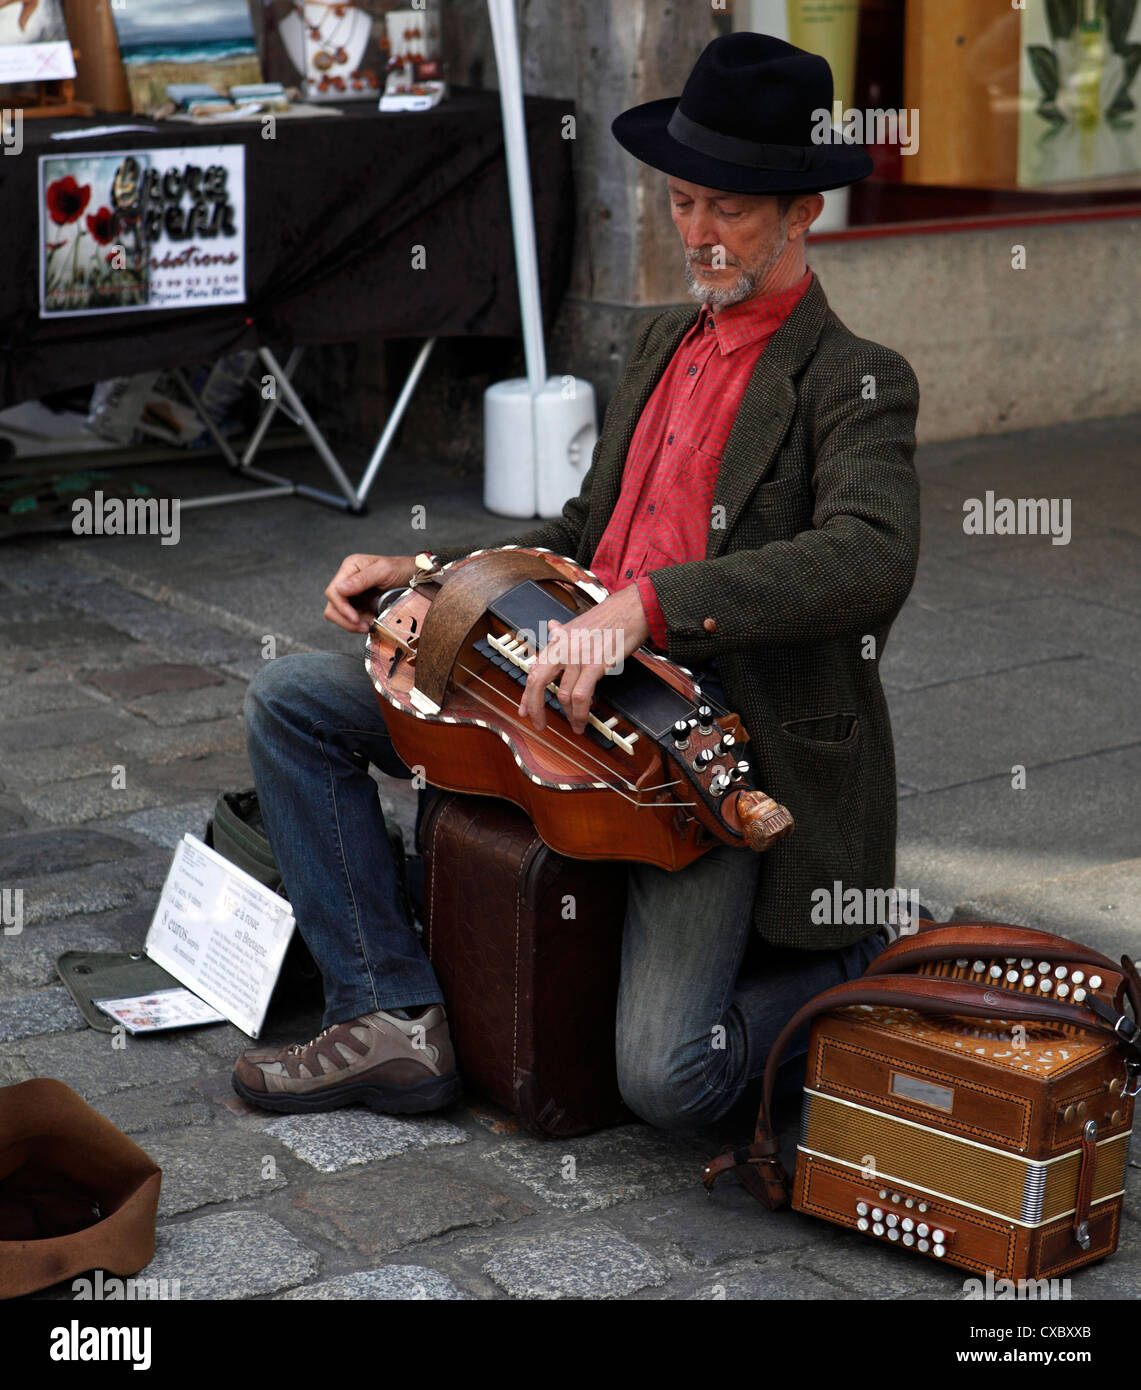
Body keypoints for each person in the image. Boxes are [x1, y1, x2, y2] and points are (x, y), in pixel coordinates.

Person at [232, 32, 921, 1128]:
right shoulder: (656, 342)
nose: (696, 232)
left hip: (703, 749)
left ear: (804, 213)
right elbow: (578, 531)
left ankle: (870, 962)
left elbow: (870, 556)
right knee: (293, 704)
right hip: (567, 699)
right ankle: (393, 1014)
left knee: (668, 1077)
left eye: (728, 209)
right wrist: (423, 572)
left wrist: (644, 607)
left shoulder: (857, 379)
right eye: (681, 201)